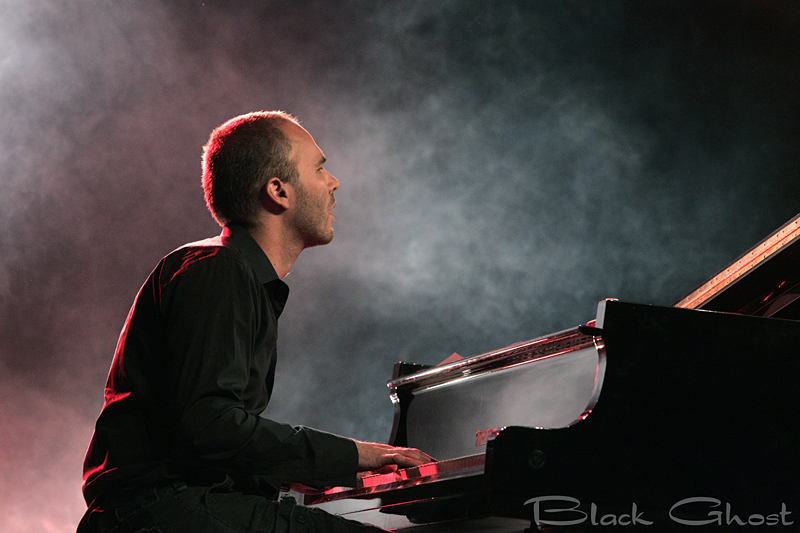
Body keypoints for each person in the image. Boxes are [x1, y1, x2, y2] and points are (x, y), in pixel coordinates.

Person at [78, 111, 434, 533]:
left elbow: (202, 436)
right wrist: (354, 455)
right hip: (160, 511)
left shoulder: (228, 271)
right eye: (319, 169)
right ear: (278, 191)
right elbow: (209, 425)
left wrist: (292, 471)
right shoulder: (218, 270)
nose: (334, 182)